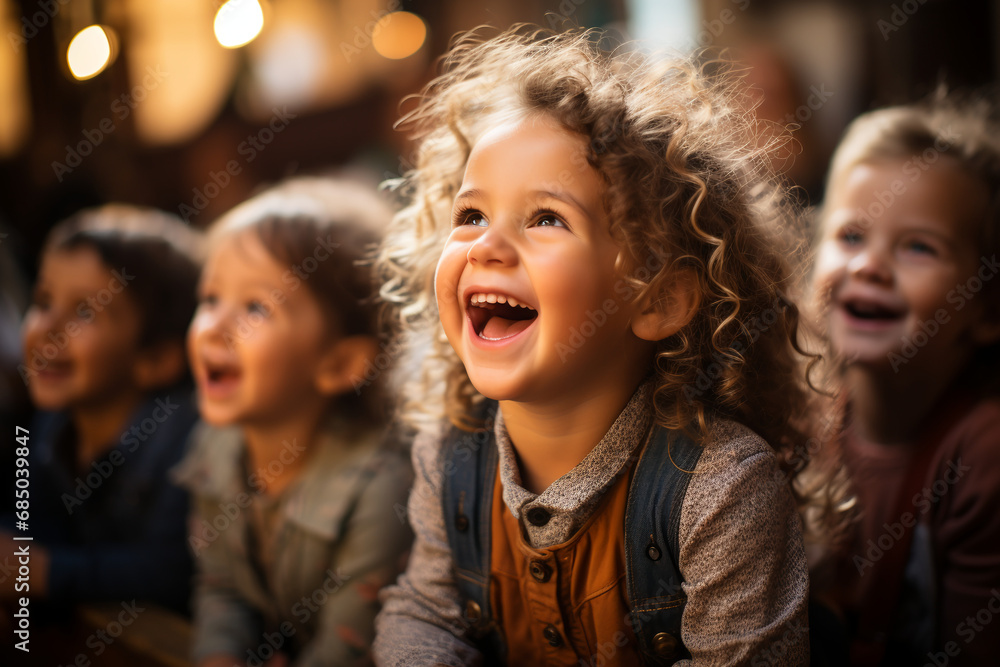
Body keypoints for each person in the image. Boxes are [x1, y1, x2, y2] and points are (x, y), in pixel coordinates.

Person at [373, 27, 828, 666]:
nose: (485, 246)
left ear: (657, 300)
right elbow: (422, 614)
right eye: (471, 215)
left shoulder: (722, 490)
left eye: (546, 219)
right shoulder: (449, 455)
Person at [175, 176, 413, 667]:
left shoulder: (380, 487)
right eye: (211, 298)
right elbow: (222, 586)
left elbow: (353, 646)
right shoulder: (214, 447)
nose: (215, 328)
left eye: (256, 307)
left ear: (339, 364)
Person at [809, 94, 1000, 665]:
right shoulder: (799, 412)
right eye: (849, 236)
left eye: (918, 246)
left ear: (987, 309)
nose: (869, 265)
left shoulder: (984, 457)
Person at [1, 205, 202, 615]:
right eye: (43, 301)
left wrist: (44, 573)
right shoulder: (50, 426)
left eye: (84, 311)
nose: (48, 328)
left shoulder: (183, 441)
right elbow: (30, 522)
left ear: (155, 360)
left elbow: (171, 571)